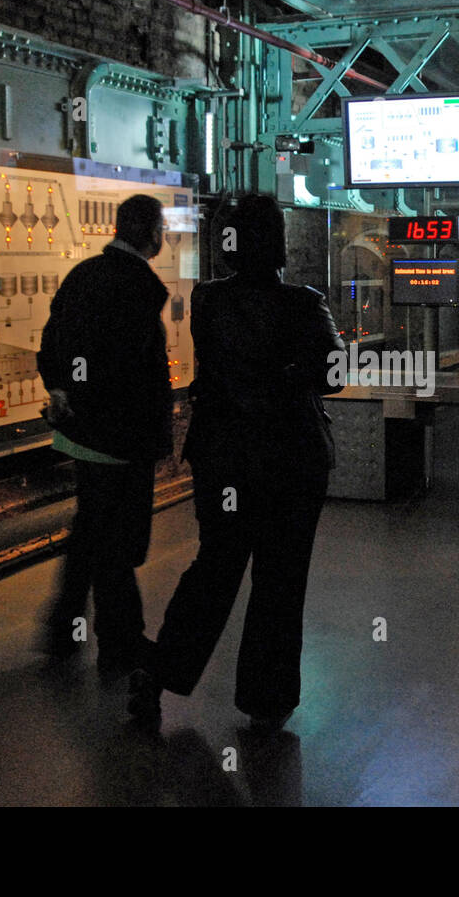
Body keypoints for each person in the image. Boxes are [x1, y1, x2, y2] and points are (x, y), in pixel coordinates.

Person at [129, 194, 345, 732]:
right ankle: (266, 701)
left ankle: (158, 673)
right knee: (280, 581)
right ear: (279, 245)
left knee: (216, 570)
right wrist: (292, 371)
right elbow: (334, 375)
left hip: (225, 458)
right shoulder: (304, 303)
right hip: (292, 462)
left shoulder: (208, 300)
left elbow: (229, 363)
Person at [35, 194, 173, 679]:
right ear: (151, 232)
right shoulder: (138, 287)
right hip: (121, 440)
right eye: (161, 228)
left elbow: (52, 343)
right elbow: (134, 373)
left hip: (80, 435)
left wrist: (62, 391)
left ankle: (62, 627)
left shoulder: (82, 276)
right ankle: (121, 646)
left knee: (92, 526)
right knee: (118, 543)